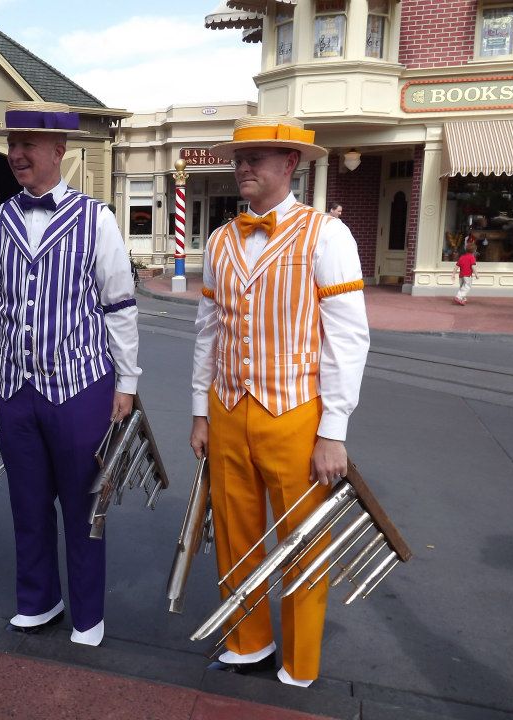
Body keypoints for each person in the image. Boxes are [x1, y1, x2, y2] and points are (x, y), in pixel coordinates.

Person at [190, 115, 370, 687]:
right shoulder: (220, 239)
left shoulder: (327, 234)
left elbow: (347, 334)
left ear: (290, 164)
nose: (245, 167)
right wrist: (200, 409)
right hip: (228, 405)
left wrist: (334, 429)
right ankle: (247, 642)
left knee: (302, 540)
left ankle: (300, 659)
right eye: (241, 158)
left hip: (293, 411)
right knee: (235, 531)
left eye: (260, 157)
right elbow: (207, 329)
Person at [0, 101, 141, 646]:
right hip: (15, 385)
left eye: (28, 146)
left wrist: (127, 382)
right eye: (12, 146)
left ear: (58, 151)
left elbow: (119, 304)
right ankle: (39, 600)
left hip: (80, 384)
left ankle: (88, 614)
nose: (16, 155)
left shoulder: (97, 219)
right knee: (27, 499)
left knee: (85, 501)